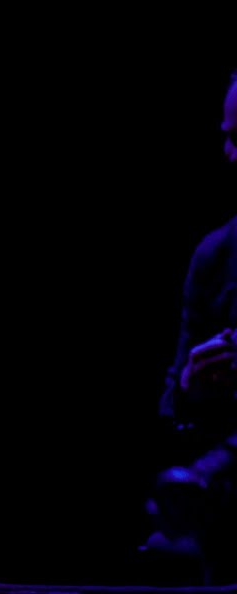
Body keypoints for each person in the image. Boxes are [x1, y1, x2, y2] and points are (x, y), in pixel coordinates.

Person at [143, 71, 237, 584]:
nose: (232, 156)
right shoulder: (215, 256)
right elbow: (171, 410)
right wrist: (192, 386)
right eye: (230, 138)